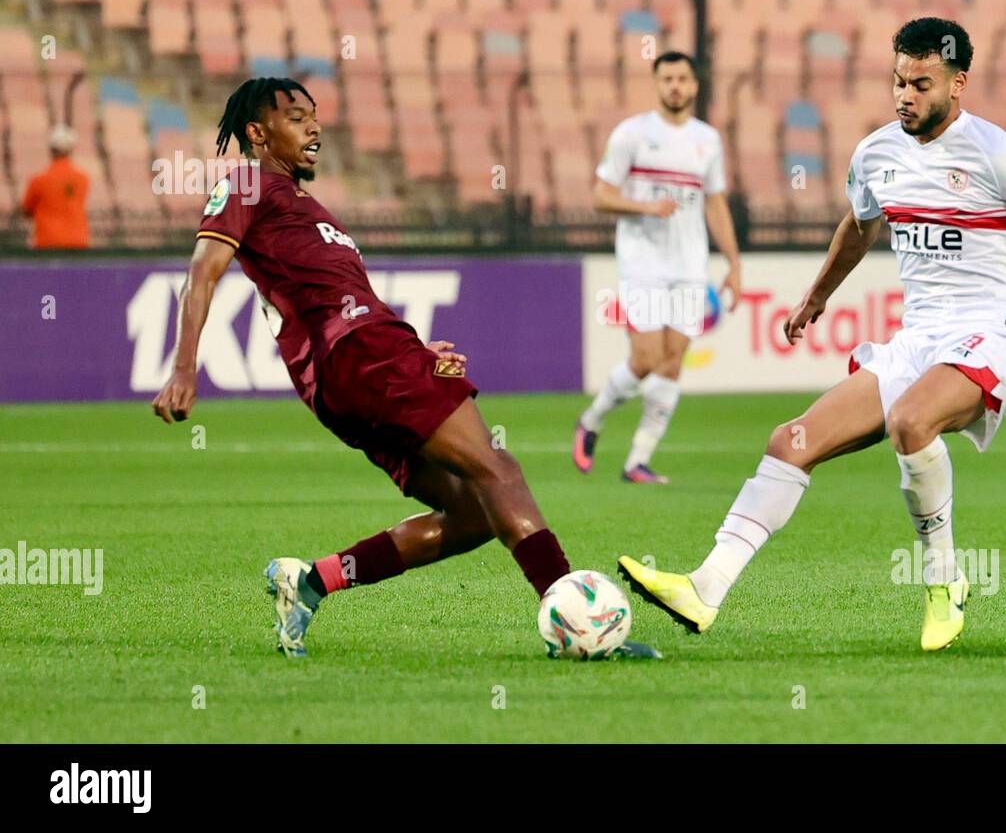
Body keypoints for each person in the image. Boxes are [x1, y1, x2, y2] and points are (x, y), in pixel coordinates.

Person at [617, 18, 1006, 651]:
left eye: (921, 83)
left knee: (911, 420)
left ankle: (942, 583)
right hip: (921, 336)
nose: (905, 96)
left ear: (959, 84)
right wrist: (816, 295)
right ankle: (704, 588)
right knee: (791, 441)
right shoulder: (876, 153)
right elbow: (859, 225)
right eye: (898, 80)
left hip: (998, 333)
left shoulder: (1001, 155)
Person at [151, 77, 653, 660]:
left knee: (474, 511)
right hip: (362, 356)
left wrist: (417, 348)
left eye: (314, 116)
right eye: (295, 117)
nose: (314, 127)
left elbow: (336, 296)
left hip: (359, 368)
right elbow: (201, 273)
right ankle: (577, 622)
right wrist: (184, 367)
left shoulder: (311, 212)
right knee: (499, 469)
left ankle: (310, 582)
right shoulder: (246, 182)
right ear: (258, 133)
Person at [573, 51, 742, 484]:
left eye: (683, 78)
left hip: (689, 264)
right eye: (667, 78)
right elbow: (600, 195)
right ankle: (592, 419)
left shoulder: (708, 140)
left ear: (695, 85)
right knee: (646, 357)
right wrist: (645, 206)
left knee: (673, 361)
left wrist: (733, 263)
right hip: (642, 261)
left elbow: (716, 201)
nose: (675, 86)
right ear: (657, 82)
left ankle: (637, 461)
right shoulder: (632, 134)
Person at [21, 125, 90, 249]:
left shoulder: (39, 179)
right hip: (77, 239)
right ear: (71, 150)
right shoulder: (83, 178)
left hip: (47, 240)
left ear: (51, 150)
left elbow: (27, 209)